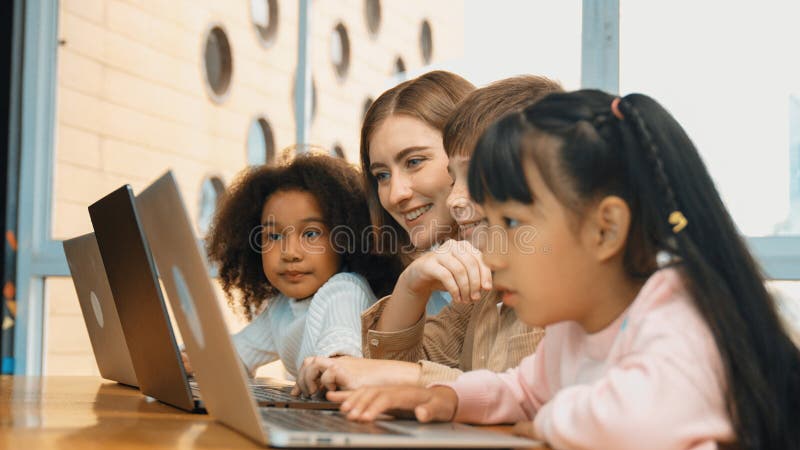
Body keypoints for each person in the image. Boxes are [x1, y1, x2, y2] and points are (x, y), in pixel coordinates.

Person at [327, 90, 800, 450]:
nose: (492, 254)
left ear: (605, 229)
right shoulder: (574, 327)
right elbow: (521, 389)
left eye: (511, 223)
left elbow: (640, 422)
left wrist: (546, 421)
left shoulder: (679, 308)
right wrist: (451, 400)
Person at [293, 76, 563, 395]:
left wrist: (401, 378)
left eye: (414, 161)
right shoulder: (481, 291)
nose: (395, 194)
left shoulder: (559, 281)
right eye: (381, 175)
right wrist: (412, 283)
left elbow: (527, 394)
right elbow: (390, 368)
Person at [192, 154, 401, 378]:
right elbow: (237, 355)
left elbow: (342, 353)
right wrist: (194, 359)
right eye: (272, 236)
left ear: (344, 240)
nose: (290, 253)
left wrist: (336, 363)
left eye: (311, 234)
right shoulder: (282, 307)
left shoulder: (344, 291)